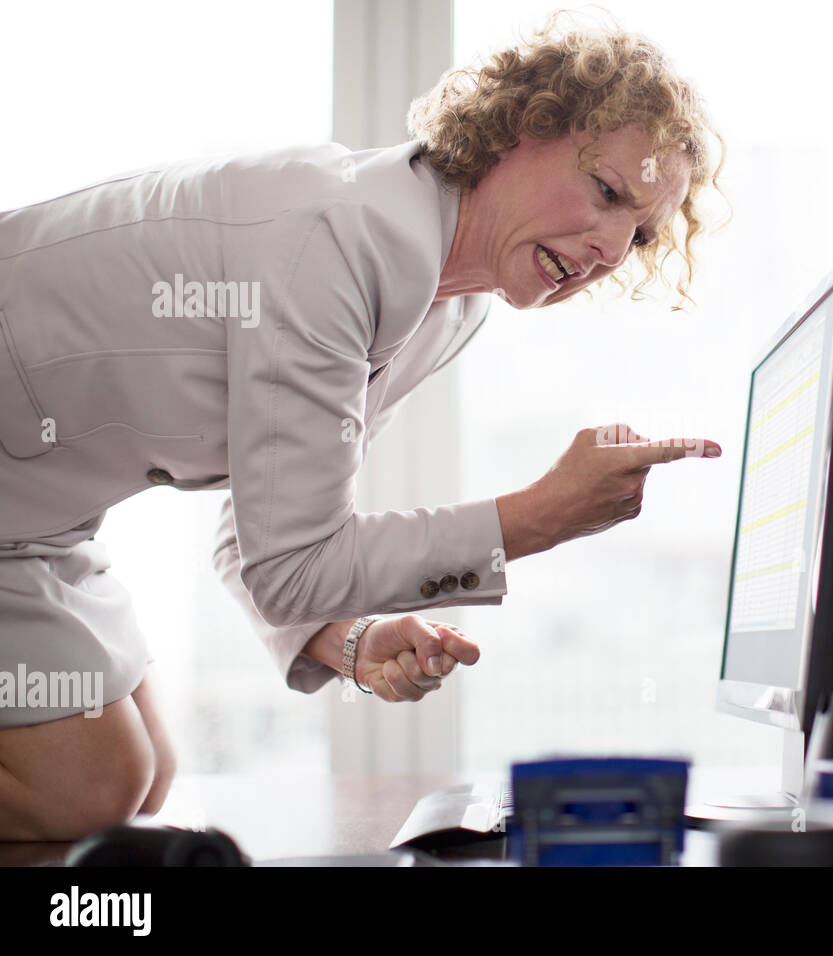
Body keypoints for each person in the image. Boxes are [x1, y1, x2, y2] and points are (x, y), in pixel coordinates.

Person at [0, 15, 723, 840]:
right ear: (524, 128)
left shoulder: (449, 309)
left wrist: (347, 640)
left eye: (638, 234)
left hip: (38, 521)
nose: (608, 246)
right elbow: (292, 565)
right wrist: (540, 516)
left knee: (148, 775)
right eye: (606, 192)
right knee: (96, 788)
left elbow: (263, 535)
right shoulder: (338, 237)